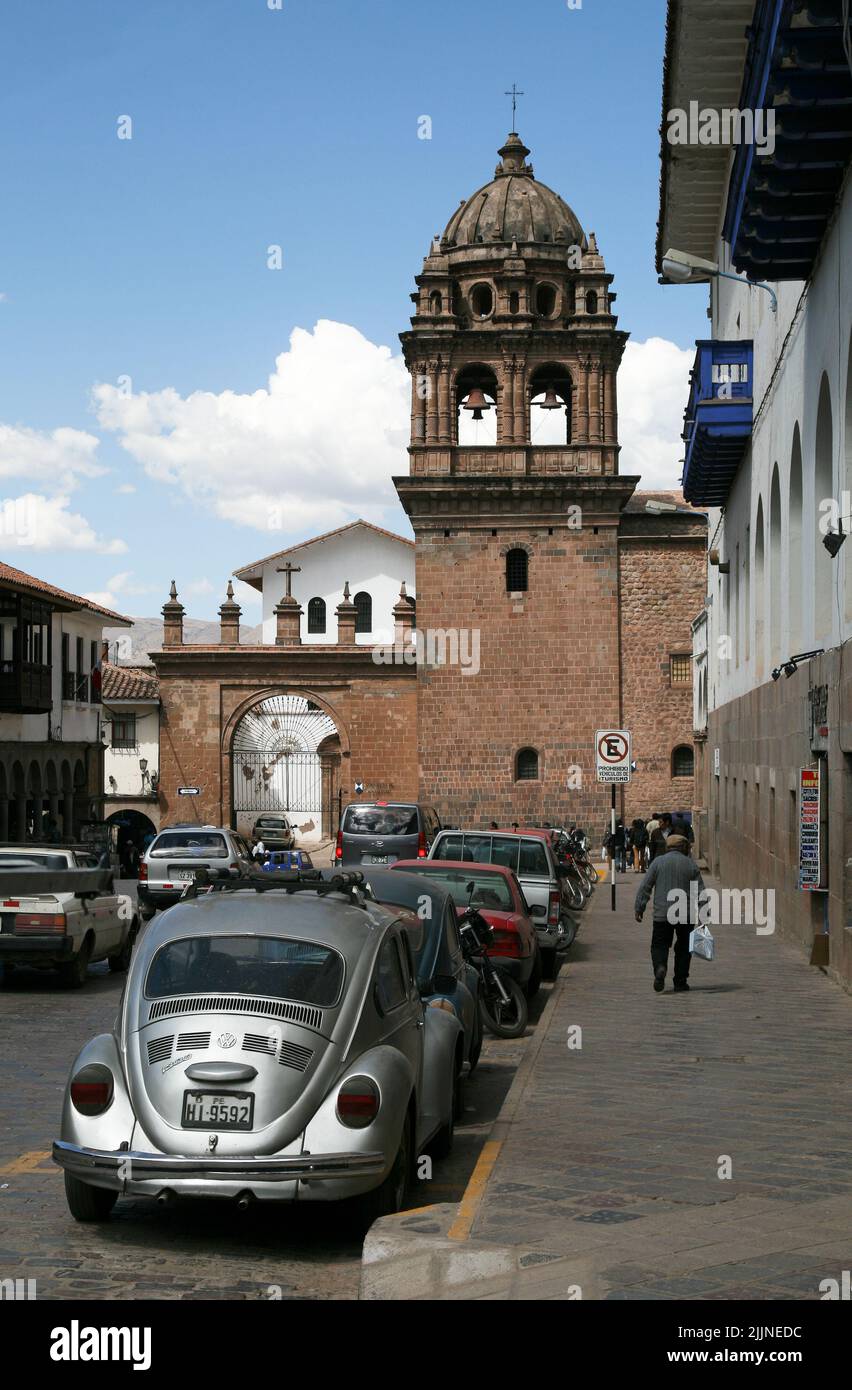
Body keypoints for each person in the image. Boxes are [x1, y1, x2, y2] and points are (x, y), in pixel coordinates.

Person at [635, 834, 705, 993]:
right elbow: (701, 892)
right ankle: (680, 982)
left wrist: (639, 908)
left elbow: (645, 886)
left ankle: (660, 966)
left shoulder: (657, 863)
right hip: (685, 915)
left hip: (662, 914)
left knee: (659, 944)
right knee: (684, 948)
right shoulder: (690, 865)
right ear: (684, 848)